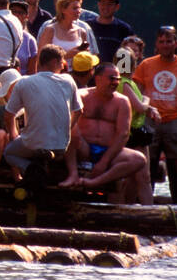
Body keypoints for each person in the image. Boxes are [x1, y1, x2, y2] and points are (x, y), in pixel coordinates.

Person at [132, 26, 177, 224]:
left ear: (176, 43)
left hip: (174, 122)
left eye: (169, 41)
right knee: (146, 168)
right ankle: (144, 213)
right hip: (150, 121)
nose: (165, 45)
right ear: (156, 44)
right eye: (162, 41)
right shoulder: (146, 65)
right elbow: (135, 91)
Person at [62, 63, 151, 203]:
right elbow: (69, 122)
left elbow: (123, 134)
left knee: (139, 159)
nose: (115, 83)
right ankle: (73, 174)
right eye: (112, 78)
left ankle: (94, 182)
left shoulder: (122, 102)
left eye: (118, 79)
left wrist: (104, 161)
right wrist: (77, 137)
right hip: (82, 147)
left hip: (107, 150)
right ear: (98, 79)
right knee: (71, 136)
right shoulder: (81, 95)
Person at [2, 45, 81, 180]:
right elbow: (79, 111)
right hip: (61, 146)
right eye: (62, 62)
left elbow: (8, 114)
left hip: (32, 144)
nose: (63, 67)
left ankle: (31, 169)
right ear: (55, 62)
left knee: (9, 153)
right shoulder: (69, 80)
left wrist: (13, 135)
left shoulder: (24, 82)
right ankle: (38, 167)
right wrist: (66, 130)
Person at [113, 46, 155, 151]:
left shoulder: (127, 82)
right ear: (133, 65)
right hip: (132, 132)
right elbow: (140, 107)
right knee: (143, 164)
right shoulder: (124, 83)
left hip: (134, 129)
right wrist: (146, 99)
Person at [38, 0, 92, 69]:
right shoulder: (50, 30)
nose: (78, 11)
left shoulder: (81, 31)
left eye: (79, 8)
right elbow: (40, 59)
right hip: (54, 76)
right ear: (63, 10)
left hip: (77, 76)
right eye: (74, 8)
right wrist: (66, 55)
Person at [90, 0, 134, 64]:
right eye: (103, 4)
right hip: (91, 72)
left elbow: (130, 54)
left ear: (117, 7)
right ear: (98, 4)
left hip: (115, 72)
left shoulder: (124, 29)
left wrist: (123, 74)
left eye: (110, 4)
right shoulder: (87, 26)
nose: (106, 7)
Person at [8, 0, 40, 72]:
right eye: (13, 11)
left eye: (20, 12)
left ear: (26, 16)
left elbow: (32, 72)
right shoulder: (0, 34)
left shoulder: (30, 40)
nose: (16, 15)